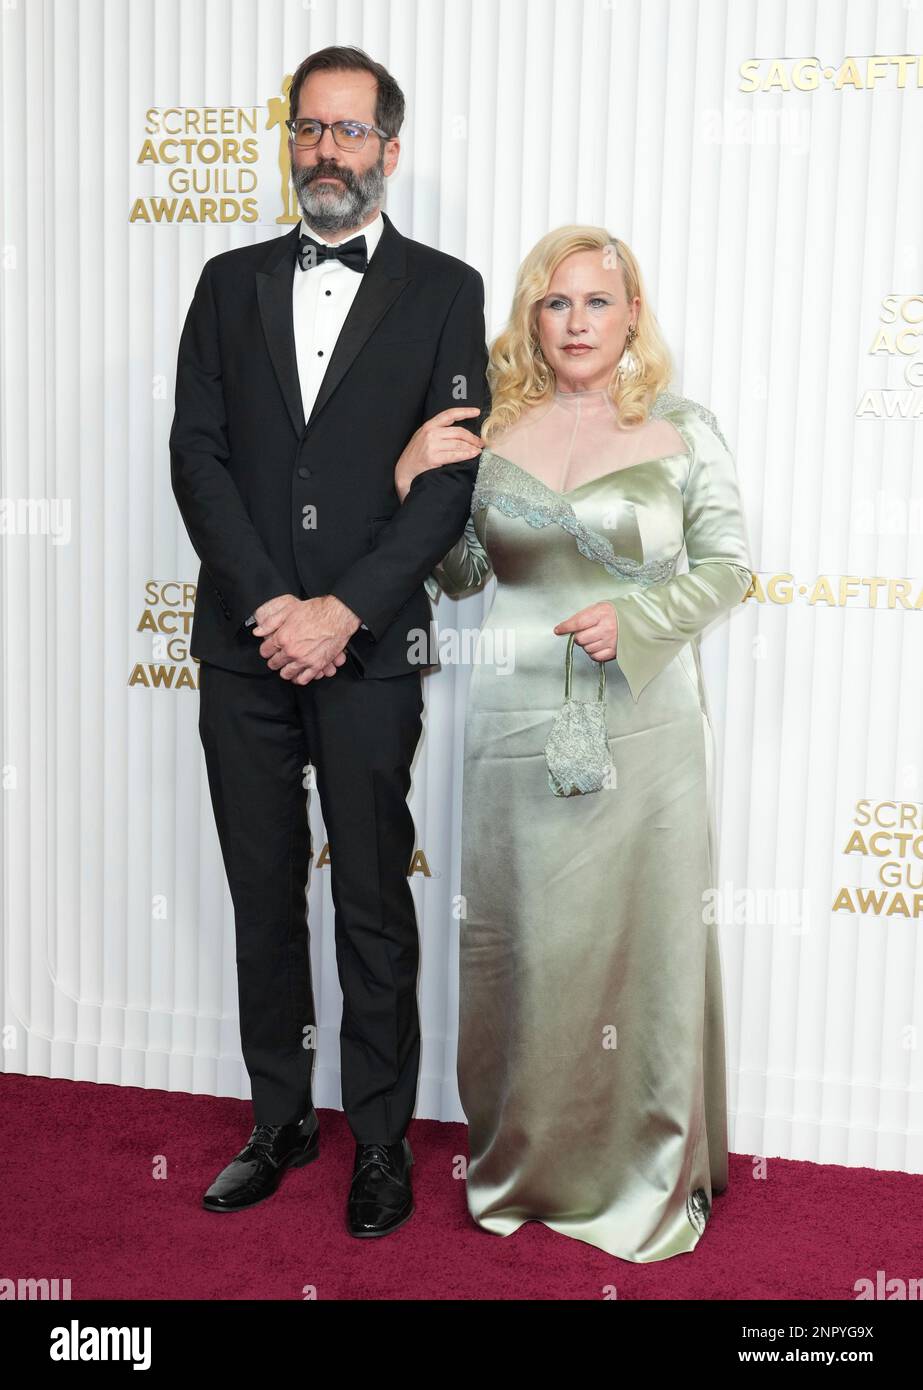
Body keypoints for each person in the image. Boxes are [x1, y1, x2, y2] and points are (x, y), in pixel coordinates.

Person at [170, 44, 488, 1236]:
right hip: (243, 642)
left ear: (388, 152)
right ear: (289, 139)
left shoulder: (447, 289)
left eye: (350, 132)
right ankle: (277, 1117)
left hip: (368, 644)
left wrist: (342, 611)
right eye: (309, 129)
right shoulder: (225, 280)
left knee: (368, 895)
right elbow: (195, 455)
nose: (326, 151)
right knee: (261, 890)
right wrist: (270, 607)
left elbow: (445, 490)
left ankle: (382, 1138)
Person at [400, 226, 753, 1261]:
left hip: (643, 732)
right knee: (525, 950)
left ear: (630, 314)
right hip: (511, 729)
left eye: (597, 303)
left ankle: (646, 1168)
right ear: (531, 319)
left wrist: (633, 621)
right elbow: (464, 577)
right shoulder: (496, 433)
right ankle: (528, 1167)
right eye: (555, 305)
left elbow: (730, 568)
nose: (576, 324)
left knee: (636, 946)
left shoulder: (682, 430)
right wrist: (411, 478)